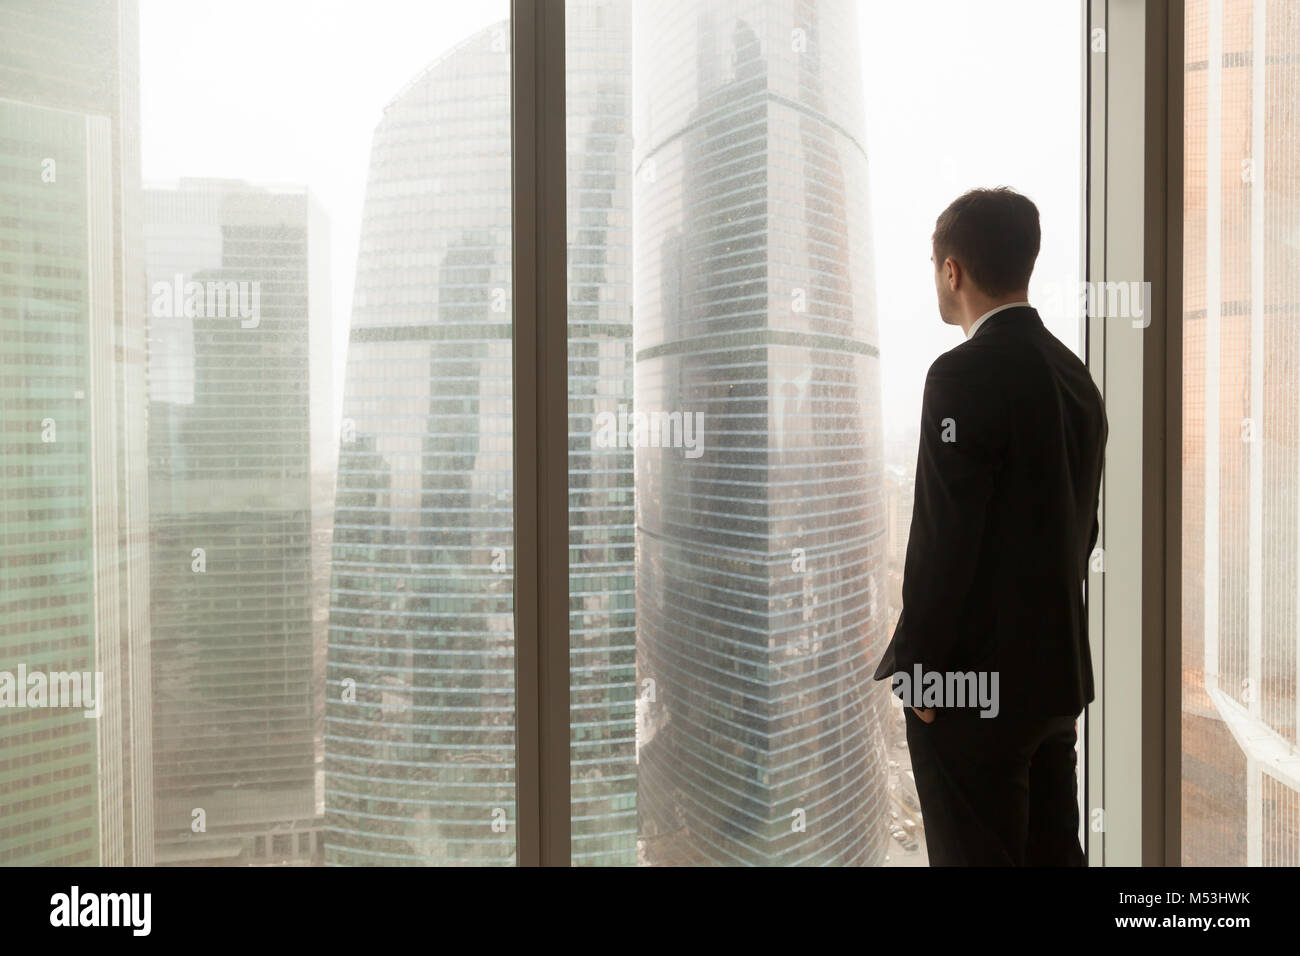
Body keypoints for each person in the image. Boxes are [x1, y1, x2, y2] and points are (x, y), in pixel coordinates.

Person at [872, 187, 1107, 866]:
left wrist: (921, 673)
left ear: (953, 271)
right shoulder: (1076, 380)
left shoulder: (960, 375)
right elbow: (1076, 537)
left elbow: (946, 541)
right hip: (1052, 684)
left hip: (970, 697)